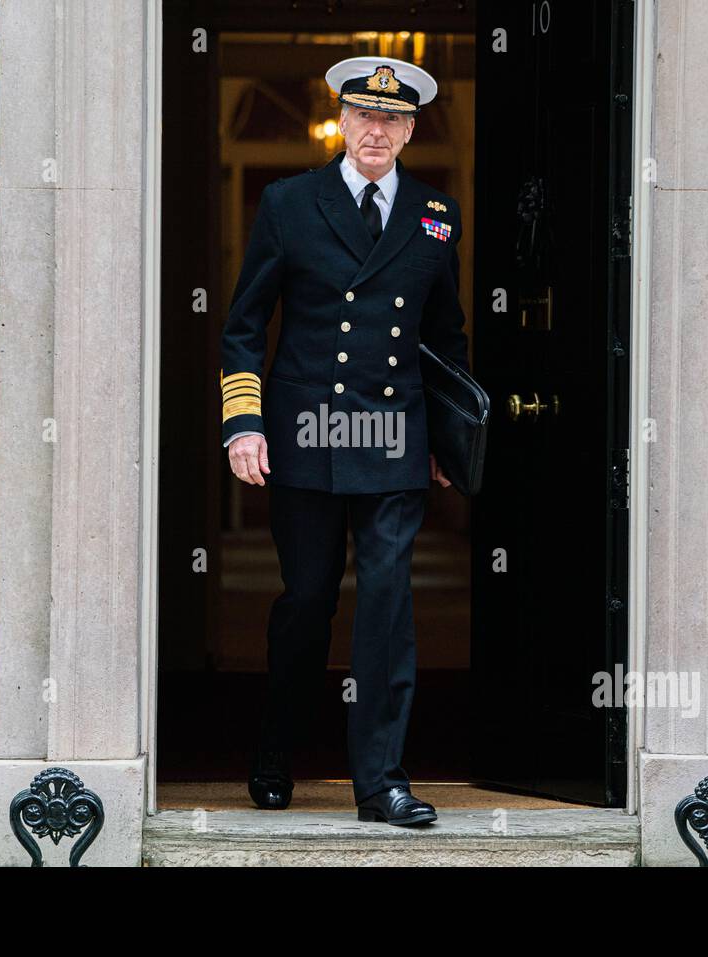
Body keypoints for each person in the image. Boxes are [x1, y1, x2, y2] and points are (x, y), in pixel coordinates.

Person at [219, 56, 469, 826]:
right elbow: (243, 325)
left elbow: (444, 336)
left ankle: (381, 781)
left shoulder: (435, 213)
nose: (377, 129)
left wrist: (449, 441)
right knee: (308, 601)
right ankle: (275, 748)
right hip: (307, 432)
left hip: (394, 432)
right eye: (365, 115)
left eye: (393, 119)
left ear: (411, 130)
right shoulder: (291, 204)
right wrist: (245, 423)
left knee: (389, 602)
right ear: (343, 121)